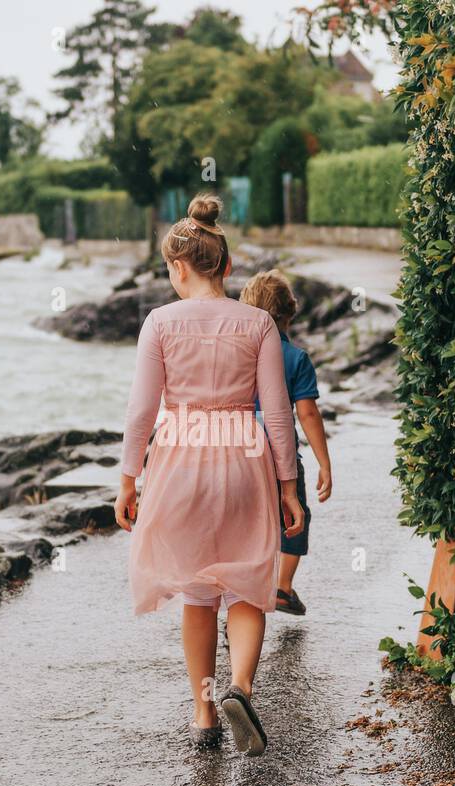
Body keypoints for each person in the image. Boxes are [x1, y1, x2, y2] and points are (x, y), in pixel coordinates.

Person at [114, 195, 304, 757]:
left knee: (198, 595)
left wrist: (129, 480)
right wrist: (288, 484)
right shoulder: (259, 324)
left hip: (180, 461)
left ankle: (203, 712)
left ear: (177, 267)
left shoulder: (160, 323)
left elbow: (141, 412)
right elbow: (276, 412)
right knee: (249, 586)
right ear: (226, 265)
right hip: (245, 462)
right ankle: (240, 689)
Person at [239, 269, 333, 615]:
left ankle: (240, 594)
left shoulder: (236, 353)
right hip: (280, 454)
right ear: (289, 315)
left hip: (236, 450)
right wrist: (324, 462)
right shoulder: (296, 359)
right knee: (295, 517)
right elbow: (308, 414)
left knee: (243, 522)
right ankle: (282, 587)